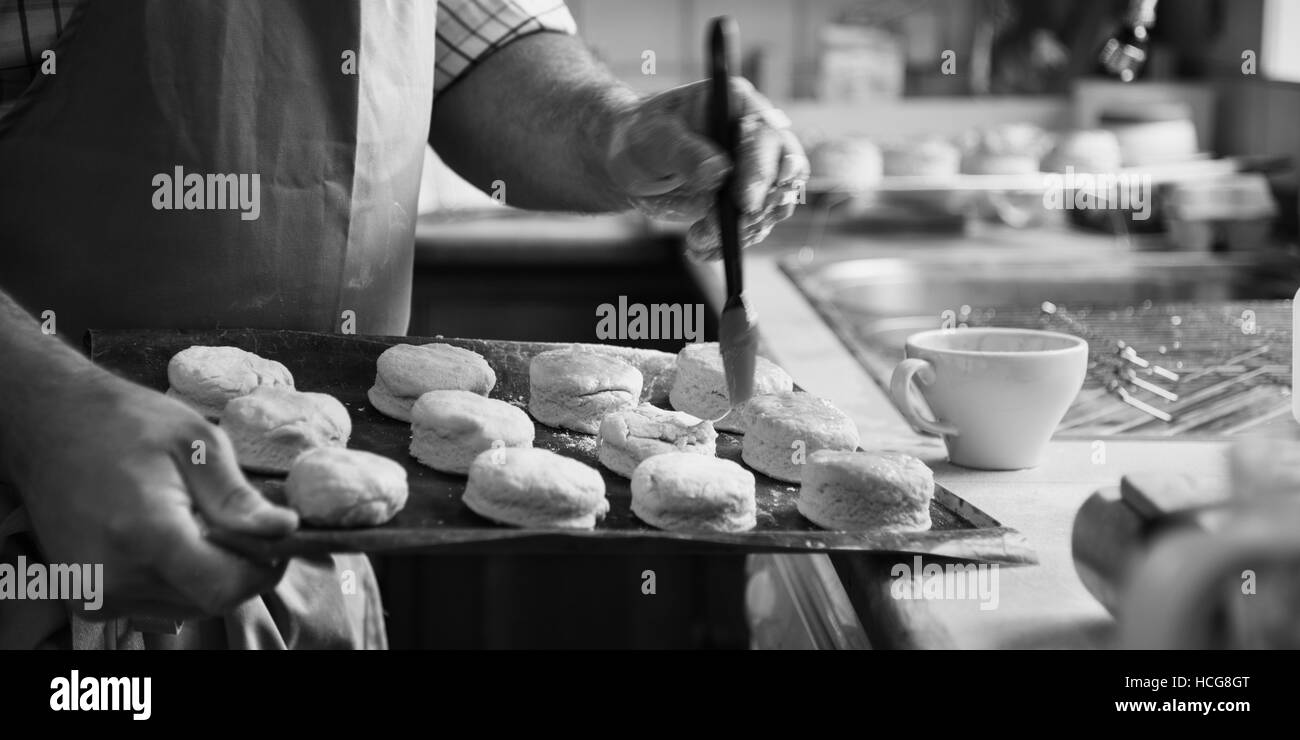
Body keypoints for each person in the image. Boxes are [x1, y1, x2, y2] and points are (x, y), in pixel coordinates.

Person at [0, 0, 807, 648]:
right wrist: (38, 407)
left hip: (327, 516)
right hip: (46, 536)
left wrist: (615, 134)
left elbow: (483, 43)